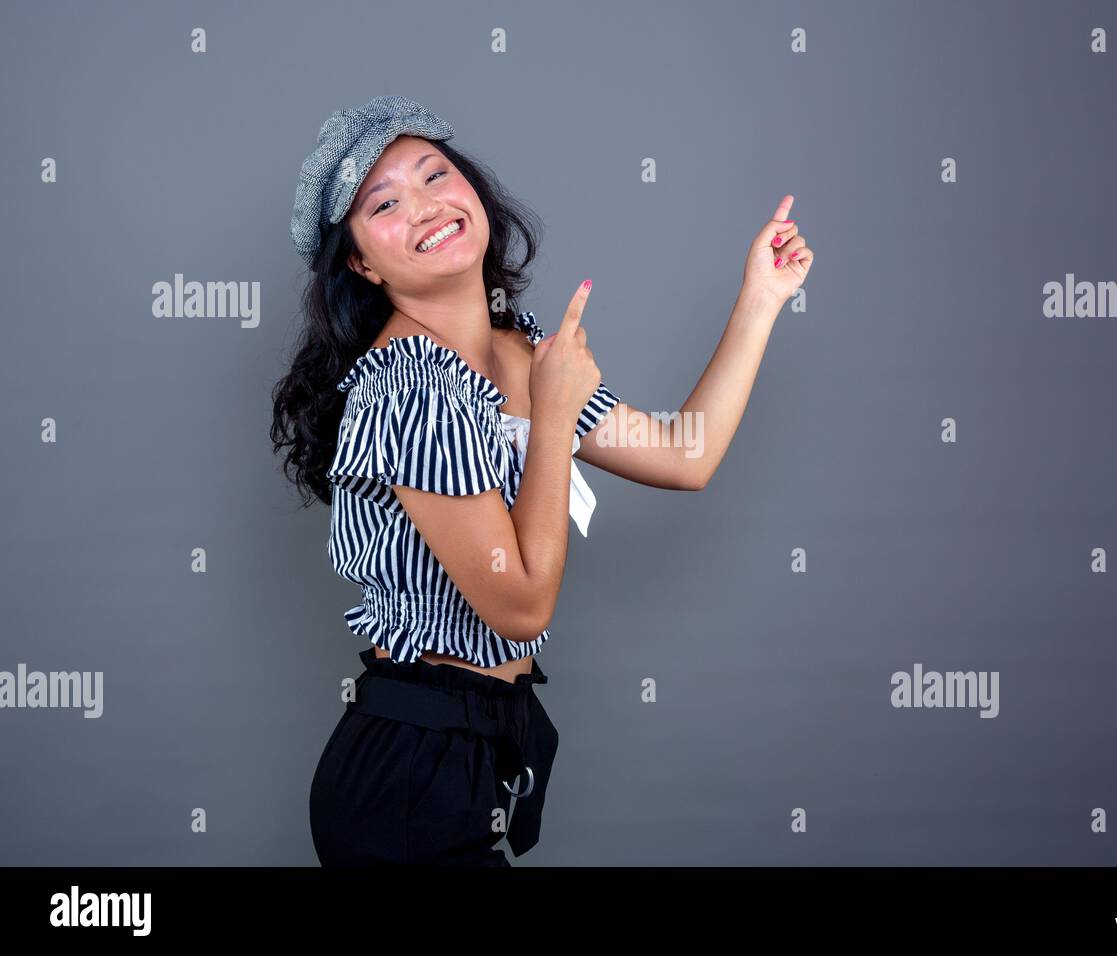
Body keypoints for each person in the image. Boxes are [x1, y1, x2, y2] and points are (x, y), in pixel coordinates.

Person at [271, 94, 814, 866]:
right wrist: (551, 418)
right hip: (406, 770)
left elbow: (683, 455)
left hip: (480, 747)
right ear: (359, 260)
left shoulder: (517, 351)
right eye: (385, 204)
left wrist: (762, 297)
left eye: (435, 174)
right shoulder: (410, 389)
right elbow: (521, 605)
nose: (425, 206)